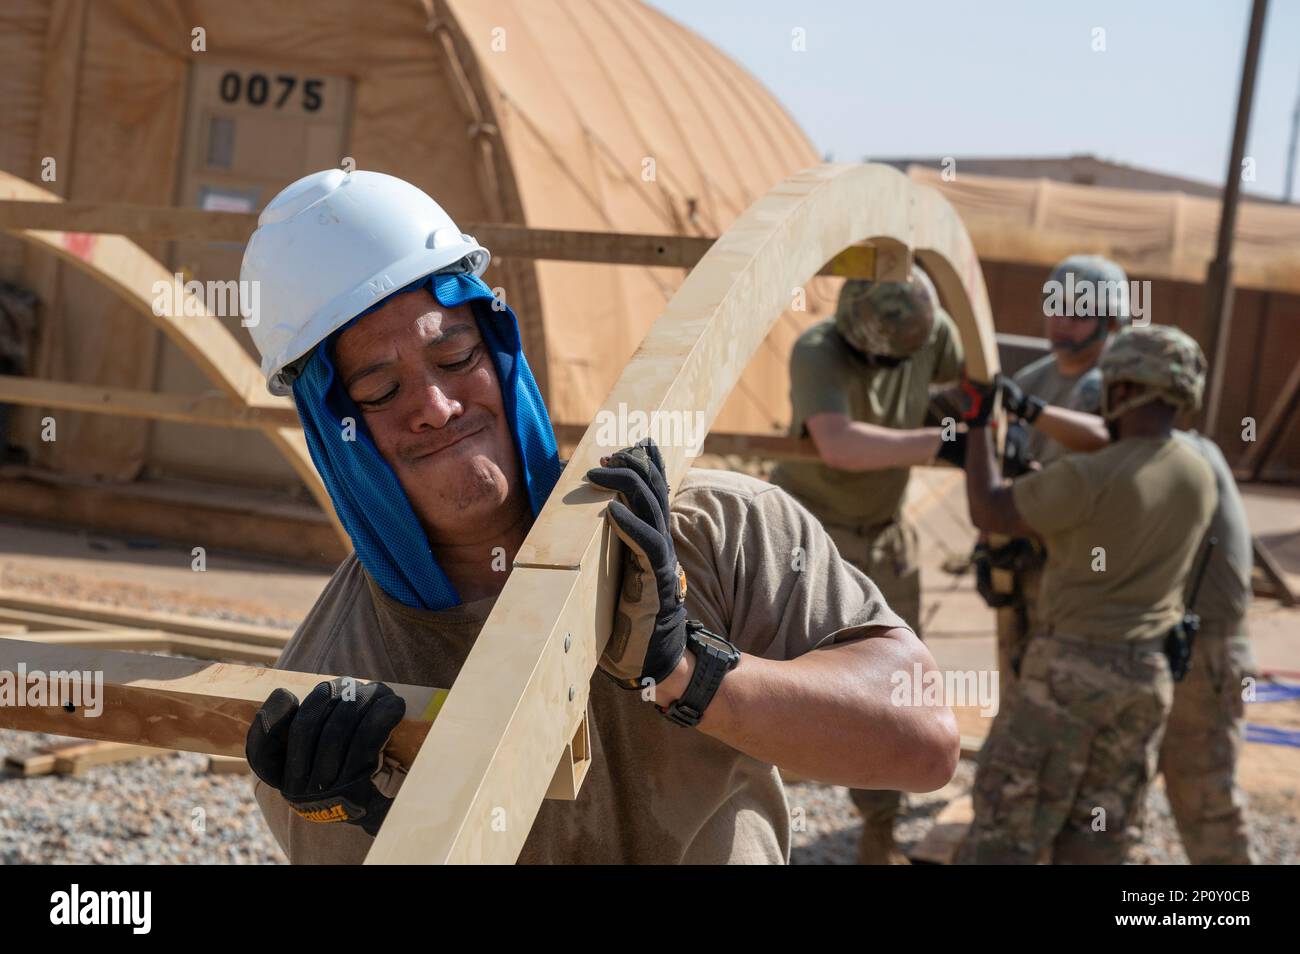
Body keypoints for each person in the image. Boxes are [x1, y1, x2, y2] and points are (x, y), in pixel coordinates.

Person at [236, 168, 959, 864]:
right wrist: (378, 824)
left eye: (454, 355)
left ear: (500, 350)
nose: (435, 406)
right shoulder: (330, 692)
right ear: (336, 432)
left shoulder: (708, 530)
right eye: (381, 388)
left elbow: (924, 742)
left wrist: (690, 673)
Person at [956, 325, 1216, 864]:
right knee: (1099, 841)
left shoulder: (1086, 478)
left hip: (1067, 679)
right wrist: (1031, 411)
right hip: (1147, 680)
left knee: (1007, 832)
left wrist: (978, 422)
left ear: (1121, 392)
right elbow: (1130, 449)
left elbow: (989, 509)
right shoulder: (1200, 472)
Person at [769, 269, 964, 864]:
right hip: (812, 536)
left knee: (897, 690)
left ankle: (879, 832)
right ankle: (755, 819)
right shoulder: (818, 350)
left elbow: (972, 379)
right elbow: (840, 444)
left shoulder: (929, 332)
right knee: (781, 677)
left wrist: (976, 426)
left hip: (885, 536)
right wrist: (941, 440)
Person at [979, 256, 1127, 694]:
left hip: (1082, 567)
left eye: (1080, 312)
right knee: (1014, 682)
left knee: (1066, 691)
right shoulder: (1029, 380)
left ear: (1109, 319)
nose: (1063, 321)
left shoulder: (1120, 386)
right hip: (1024, 558)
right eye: (1057, 306)